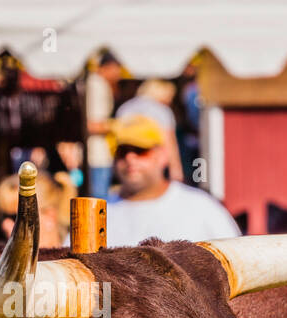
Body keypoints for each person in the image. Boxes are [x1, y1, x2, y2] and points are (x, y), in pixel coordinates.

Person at [105, 115, 240, 245]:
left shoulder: (201, 207)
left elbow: (236, 260)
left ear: (163, 155)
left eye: (140, 150)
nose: (130, 158)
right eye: (122, 152)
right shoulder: (100, 215)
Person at [116, 78, 184, 183]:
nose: (170, 101)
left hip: (127, 166)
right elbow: (169, 141)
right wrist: (176, 170)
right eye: (169, 97)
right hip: (151, 163)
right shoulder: (162, 110)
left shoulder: (125, 107)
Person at [0, 169, 75, 247]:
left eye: (17, 217)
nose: (5, 225)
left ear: (50, 216)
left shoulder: (78, 257)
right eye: (3, 216)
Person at [84, 51, 123, 198]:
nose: (119, 73)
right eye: (117, 68)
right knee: (98, 203)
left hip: (96, 154)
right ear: (109, 66)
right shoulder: (97, 84)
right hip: (96, 155)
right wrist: (119, 126)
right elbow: (92, 124)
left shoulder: (95, 83)